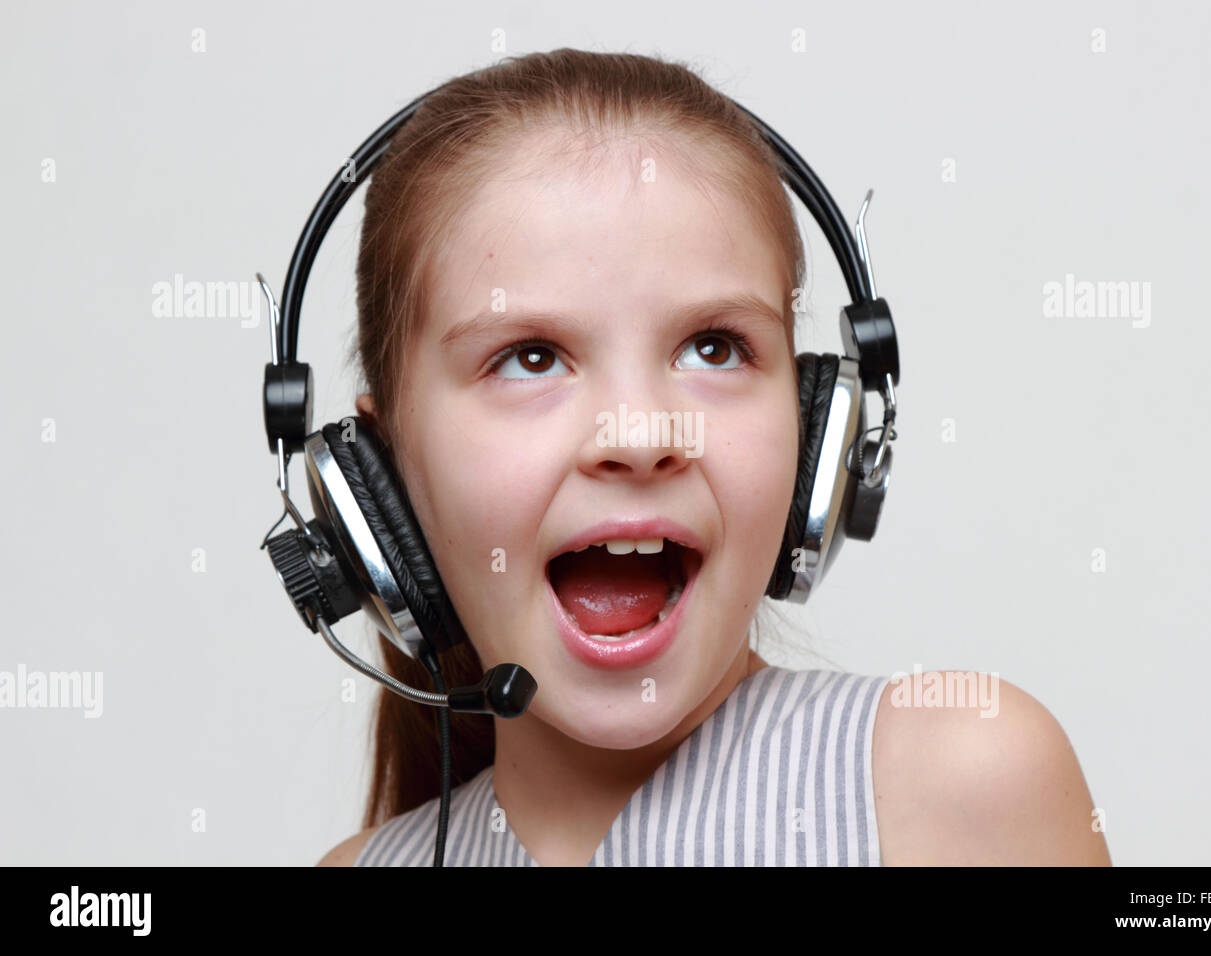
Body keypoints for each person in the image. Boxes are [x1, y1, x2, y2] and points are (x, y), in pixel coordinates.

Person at [315, 48, 1111, 866]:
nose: (639, 436)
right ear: (379, 482)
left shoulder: (958, 784)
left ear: (820, 438)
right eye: (531, 358)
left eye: (713, 347)